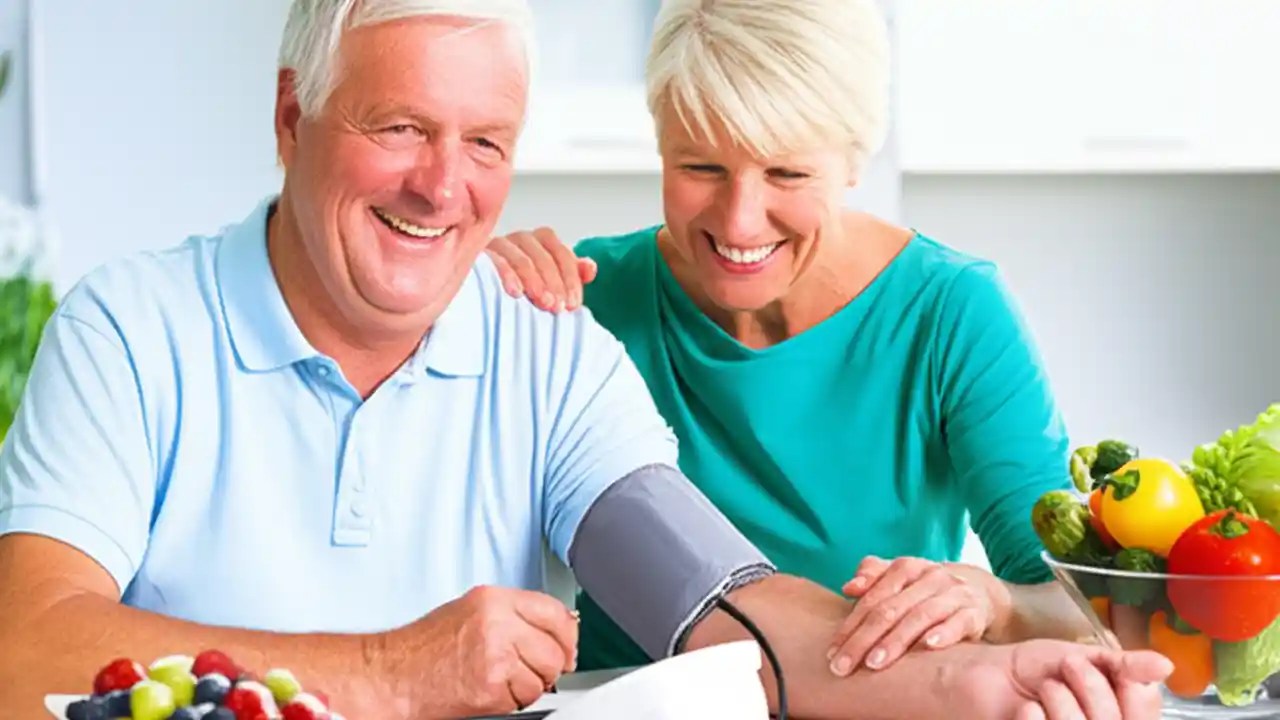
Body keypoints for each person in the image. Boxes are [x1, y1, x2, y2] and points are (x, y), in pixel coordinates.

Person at [0, 1, 1170, 719]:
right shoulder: (129, 331)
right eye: (399, 127)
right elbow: (20, 653)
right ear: (293, 116)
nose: (441, 186)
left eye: (485, 144)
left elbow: (734, 610)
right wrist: (394, 674)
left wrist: (979, 687)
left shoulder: (549, 347)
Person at [487, 0, 1098, 681]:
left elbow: (1085, 610)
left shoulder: (950, 313)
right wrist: (463, 291)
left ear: (853, 159)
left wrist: (994, 601)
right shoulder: (589, 298)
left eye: (788, 173)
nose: (740, 222)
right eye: (702, 168)